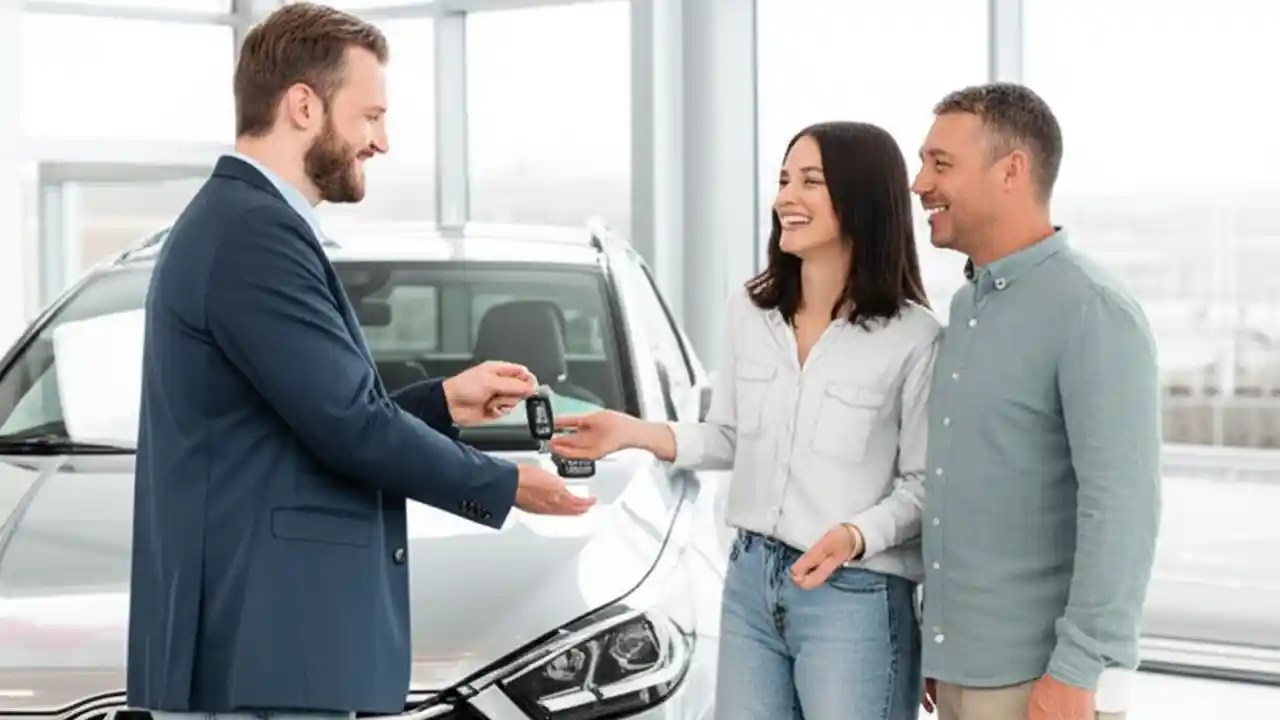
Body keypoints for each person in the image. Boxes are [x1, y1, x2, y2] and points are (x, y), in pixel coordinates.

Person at [126, 4, 595, 719]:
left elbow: (304, 423)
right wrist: (502, 483)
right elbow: (347, 425)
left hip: (270, 651)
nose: (381, 141)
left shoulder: (248, 223)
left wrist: (443, 404)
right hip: (265, 650)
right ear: (304, 106)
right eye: (370, 116)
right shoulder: (254, 234)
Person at [550, 121, 940, 720]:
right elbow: (728, 436)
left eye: (811, 181)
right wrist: (631, 432)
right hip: (752, 582)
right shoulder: (750, 312)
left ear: (862, 198)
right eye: (785, 179)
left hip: (855, 595)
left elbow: (923, 487)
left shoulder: (913, 337)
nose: (786, 197)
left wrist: (853, 535)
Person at [911, 82, 1161, 720]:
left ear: (1011, 171)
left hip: (1043, 684)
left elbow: (1122, 508)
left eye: (941, 164)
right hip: (967, 667)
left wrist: (1076, 673)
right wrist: (943, 647)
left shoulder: (1091, 308)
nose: (920, 184)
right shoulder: (968, 306)